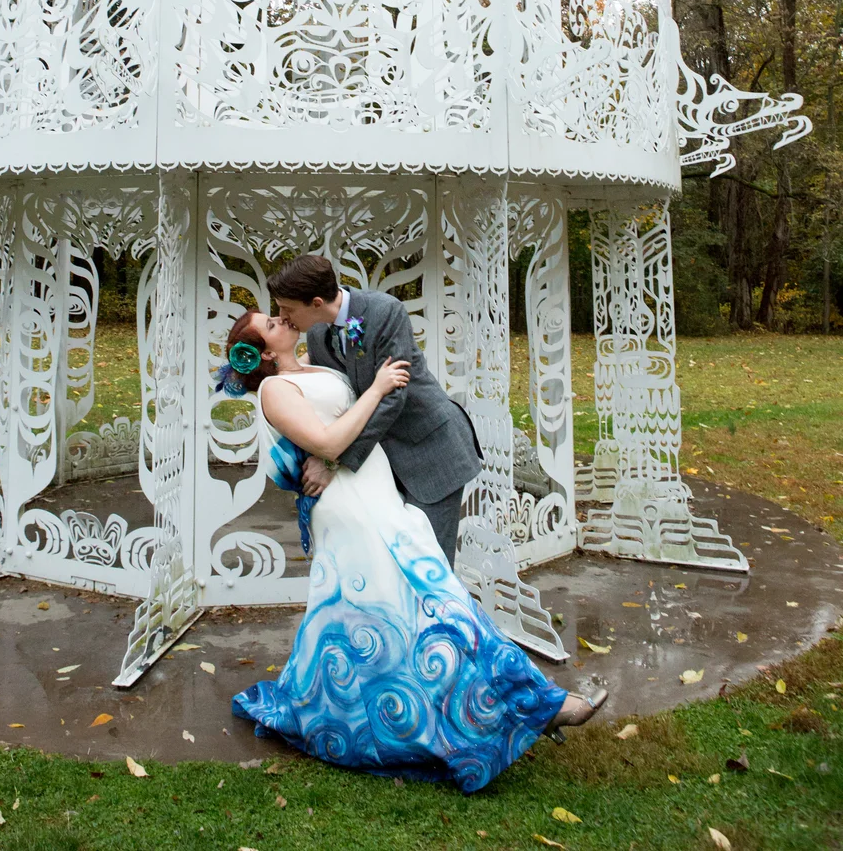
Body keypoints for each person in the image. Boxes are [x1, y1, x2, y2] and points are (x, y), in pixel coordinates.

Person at [221, 309, 607, 793]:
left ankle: (370, 708)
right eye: (271, 324)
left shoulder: (316, 364)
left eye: (278, 315)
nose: (281, 319)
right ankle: (538, 705)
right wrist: (376, 391)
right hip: (352, 509)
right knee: (433, 606)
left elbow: (338, 436)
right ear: (261, 352)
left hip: (377, 493)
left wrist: (362, 407)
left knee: (382, 619)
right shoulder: (275, 390)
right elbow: (329, 439)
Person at [266, 254, 480, 567]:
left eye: (287, 308)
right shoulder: (316, 335)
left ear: (314, 302)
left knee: (430, 567)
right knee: (392, 567)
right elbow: (343, 400)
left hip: (432, 452)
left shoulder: (384, 311)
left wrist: (331, 459)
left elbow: (394, 396)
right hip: (379, 467)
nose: (282, 316)